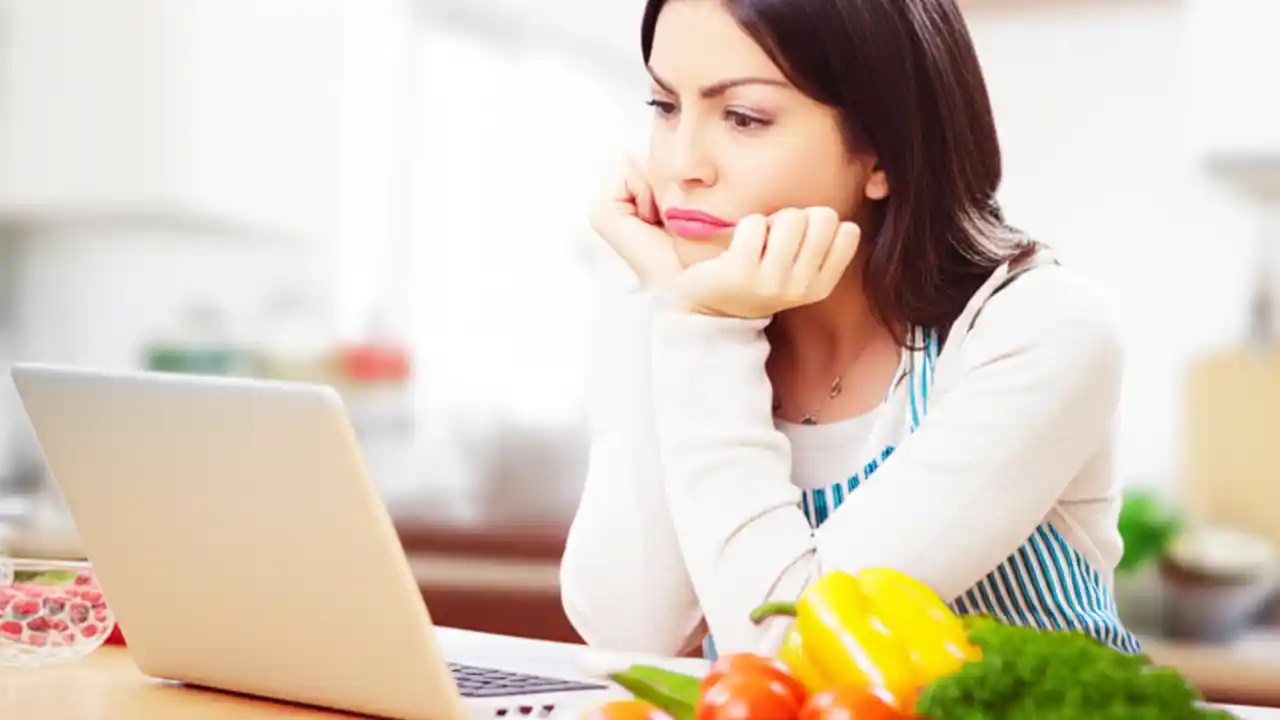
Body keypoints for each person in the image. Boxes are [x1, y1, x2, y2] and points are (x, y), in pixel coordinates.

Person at [560, 0, 1139, 659]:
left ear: (882, 151)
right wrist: (672, 308)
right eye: (665, 106)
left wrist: (707, 329)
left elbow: (797, 647)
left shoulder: (1038, 331)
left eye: (744, 117)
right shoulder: (687, 311)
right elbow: (631, 634)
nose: (681, 166)